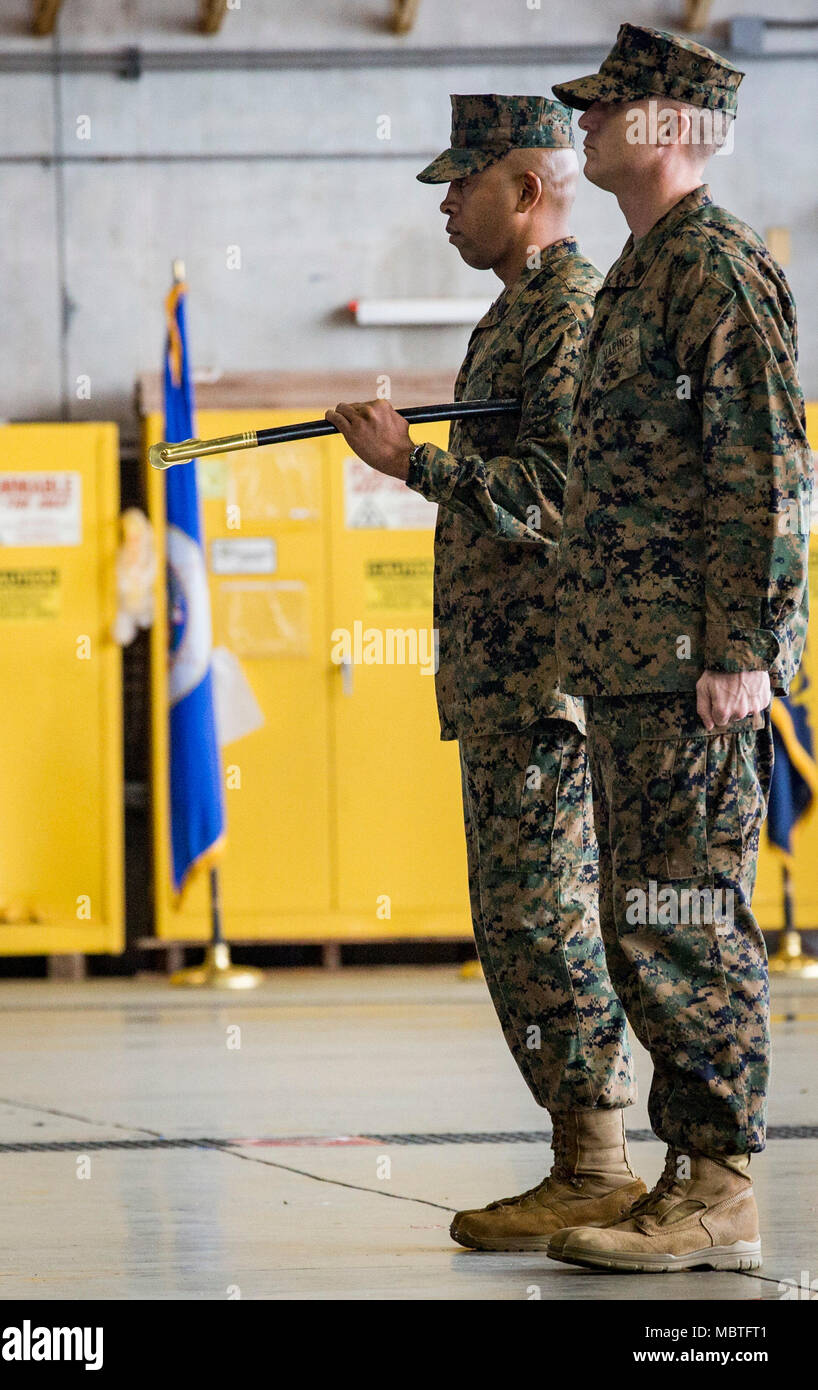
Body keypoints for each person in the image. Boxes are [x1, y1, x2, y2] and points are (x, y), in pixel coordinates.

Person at [325, 94, 646, 1251]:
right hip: (505, 678)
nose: (448, 204)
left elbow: (559, 497)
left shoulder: (565, 313)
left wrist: (416, 464)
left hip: (545, 677)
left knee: (543, 917)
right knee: (516, 920)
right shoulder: (513, 311)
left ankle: (599, 1163)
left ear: (525, 189)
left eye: (463, 184)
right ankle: (582, 1158)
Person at [546, 23, 813, 1272]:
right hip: (631, 663)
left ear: (662, 127)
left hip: (692, 667)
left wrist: (742, 644)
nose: (585, 126)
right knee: (640, 918)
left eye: (604, 109)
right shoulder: (641, 270)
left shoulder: (714, 265)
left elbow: (762, 470)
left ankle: (718, 1186)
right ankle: (680, 1167)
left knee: (685, 914)